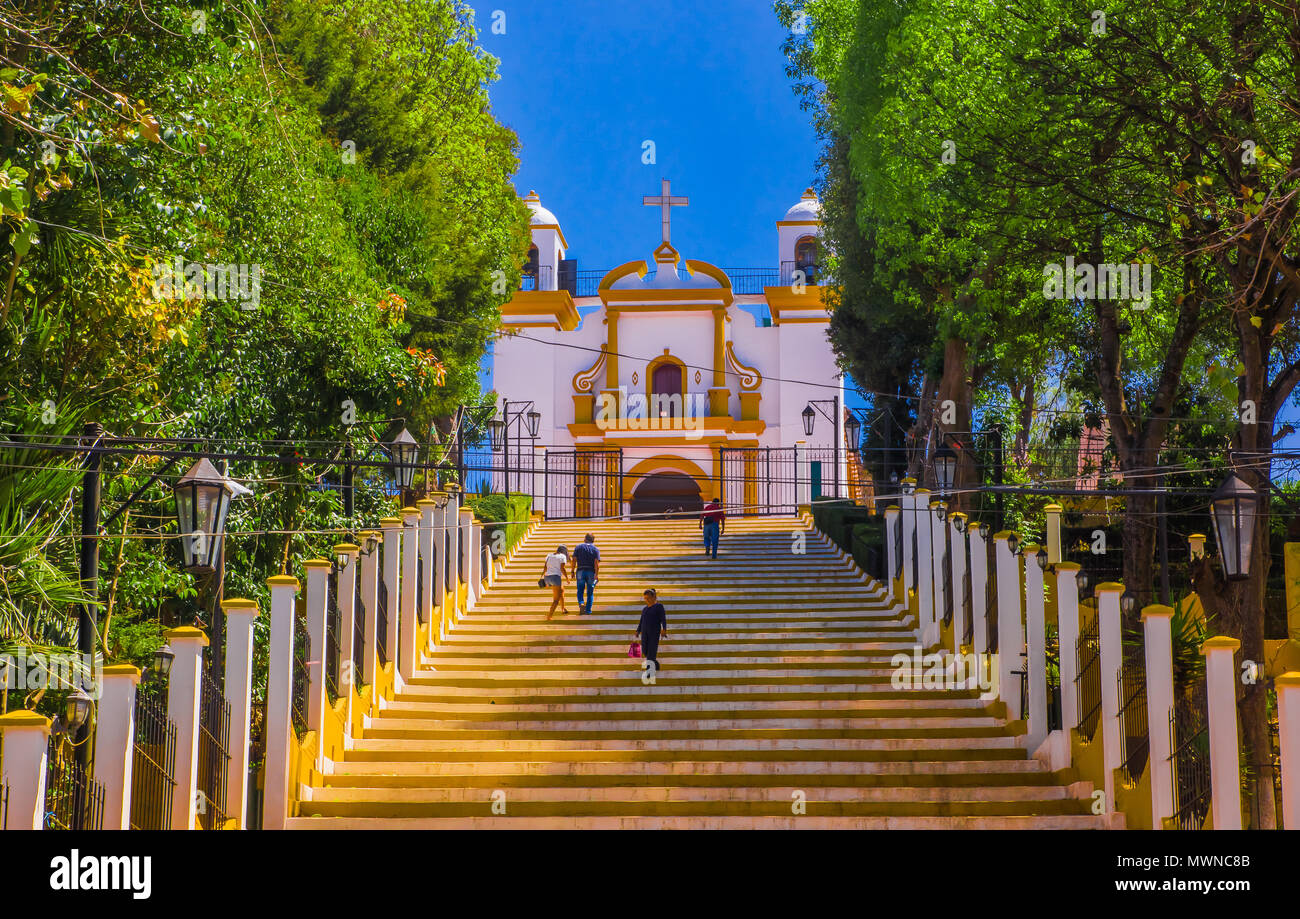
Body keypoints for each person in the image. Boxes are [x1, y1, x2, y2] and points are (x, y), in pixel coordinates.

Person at [635, 588, 668, 671]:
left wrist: (664, 629)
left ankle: (649, 669)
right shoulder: (644, 609)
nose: (647, 600)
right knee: (645, 651)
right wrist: (638, 630)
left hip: (654, 632)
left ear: (654, 597)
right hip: (644, 632)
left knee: (651, 651)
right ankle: (655, 664)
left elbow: (663, 618)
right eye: (645, 598)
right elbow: (641, 620)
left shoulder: (659, 606)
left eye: (649, 598)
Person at [571, 533, 600, 615]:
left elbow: (574, 560)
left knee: (580, 590)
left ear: (585, 539)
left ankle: (581, 603)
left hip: (580, 571)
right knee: (590, 592)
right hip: (591, 572)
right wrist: (596, 575)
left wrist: (572, 571)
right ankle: (588, 611)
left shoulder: (578, 547)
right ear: (593, 540)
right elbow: (596, 563)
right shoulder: (595, 549)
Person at [541, 545, 571, 619]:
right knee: (556, 600)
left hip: (547, 577)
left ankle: (563, 609)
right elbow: (562, 568)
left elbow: (545, 567)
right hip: (555, 578)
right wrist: (567, 578)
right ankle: (549, 616)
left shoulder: (549, 555)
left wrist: (542, 576)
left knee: (562, 590)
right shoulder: (562, 556)